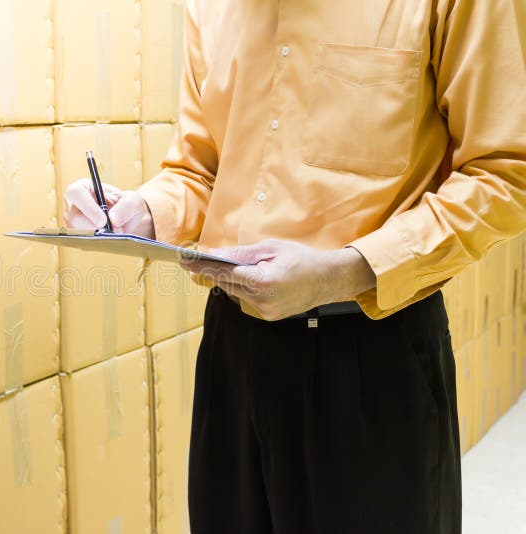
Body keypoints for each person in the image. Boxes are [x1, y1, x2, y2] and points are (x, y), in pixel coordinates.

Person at [64, 1, 526, 532]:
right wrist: (142, 213)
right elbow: (200, 169)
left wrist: (345, 271)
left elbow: (503, 174)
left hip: (368, 357)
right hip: (232, 352)